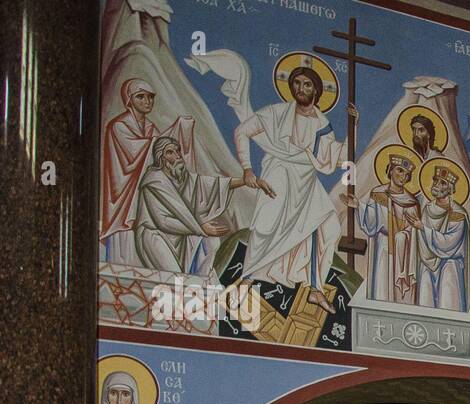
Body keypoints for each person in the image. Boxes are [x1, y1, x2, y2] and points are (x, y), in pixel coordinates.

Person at [233, 65, 356, 311]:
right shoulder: (276, 113)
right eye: (297, 83)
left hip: (307, 183)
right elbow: (241, 131)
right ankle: (246, 280)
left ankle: (315, 288)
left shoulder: (322, 123)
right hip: (279, 175)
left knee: (327, 228)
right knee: (266, 228)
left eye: (307, 84)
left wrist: (354, 127)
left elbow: (337, 158)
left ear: (317, 91)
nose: (301, 88)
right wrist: (247, 168)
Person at [101, 78, 194, 266]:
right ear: (129, 100)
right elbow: (137, 156)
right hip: (124, 195)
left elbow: (161, 152)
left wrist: (180, 130)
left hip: (142, 191)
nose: (147, 101)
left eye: (150, 97)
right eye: (140, 97)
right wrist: (163, 139)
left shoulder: (150, 127)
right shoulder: (119, 126)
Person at [133, 136, 247, 274]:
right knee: (175, 279)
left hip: (182, 236)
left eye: (177, 151)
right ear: (160, 158)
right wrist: (200, 228)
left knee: (212, 241)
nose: (177, 156)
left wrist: (245, 181)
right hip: (156, 235)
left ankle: (203, 280)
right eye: (170, 152)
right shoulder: (154, 182)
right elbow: (163, 222)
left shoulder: (185, 179)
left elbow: (215, 185)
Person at [359, 153, 422, 305]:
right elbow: (371, 222)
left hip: (403, 252)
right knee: (381, 284)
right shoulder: (378, 193)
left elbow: (414, 231)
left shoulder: (411, 202)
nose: (403, 176)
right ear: (391, 170)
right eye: (400, 170)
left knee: (399, 296)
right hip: (383, 245)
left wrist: (404, 234)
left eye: (407, 174)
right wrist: (359, 207)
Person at [418, 164, 470, 311]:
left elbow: (450, 243)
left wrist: (423, 228)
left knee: (449, 276)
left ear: (450, 189)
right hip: (428, 259)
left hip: (449, 261)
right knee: (425, 276)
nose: (436, 185)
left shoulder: (458, 214)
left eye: (442, 183)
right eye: (436, 180)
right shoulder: (427, 209)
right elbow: (421, 241)